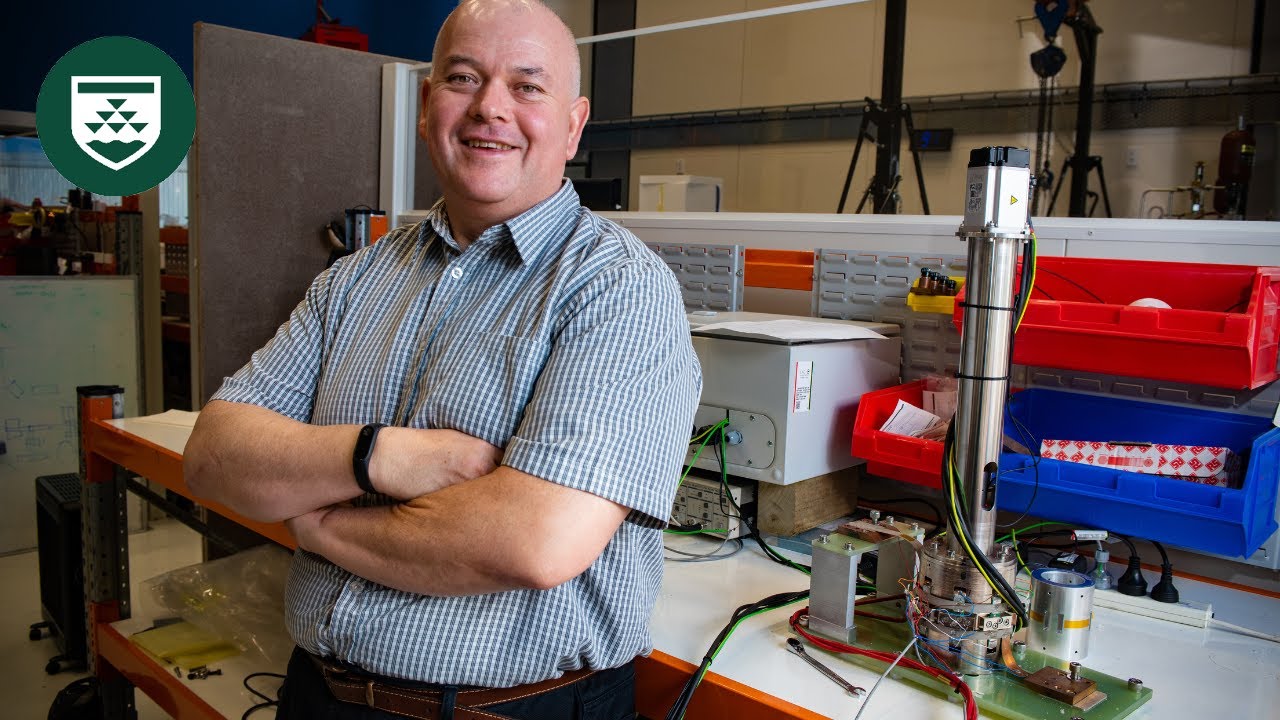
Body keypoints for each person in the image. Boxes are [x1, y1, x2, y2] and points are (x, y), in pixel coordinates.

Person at [183, 1, 702, 718]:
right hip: (317, 694)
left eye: (527, 86)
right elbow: (214, 455)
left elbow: (533, 542)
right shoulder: (354, 280)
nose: (490, 107)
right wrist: (378, 456)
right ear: (428, 107)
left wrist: (316, 521)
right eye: (463, 78)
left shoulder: (617, 289)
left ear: (573, 124)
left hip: (510, 708)